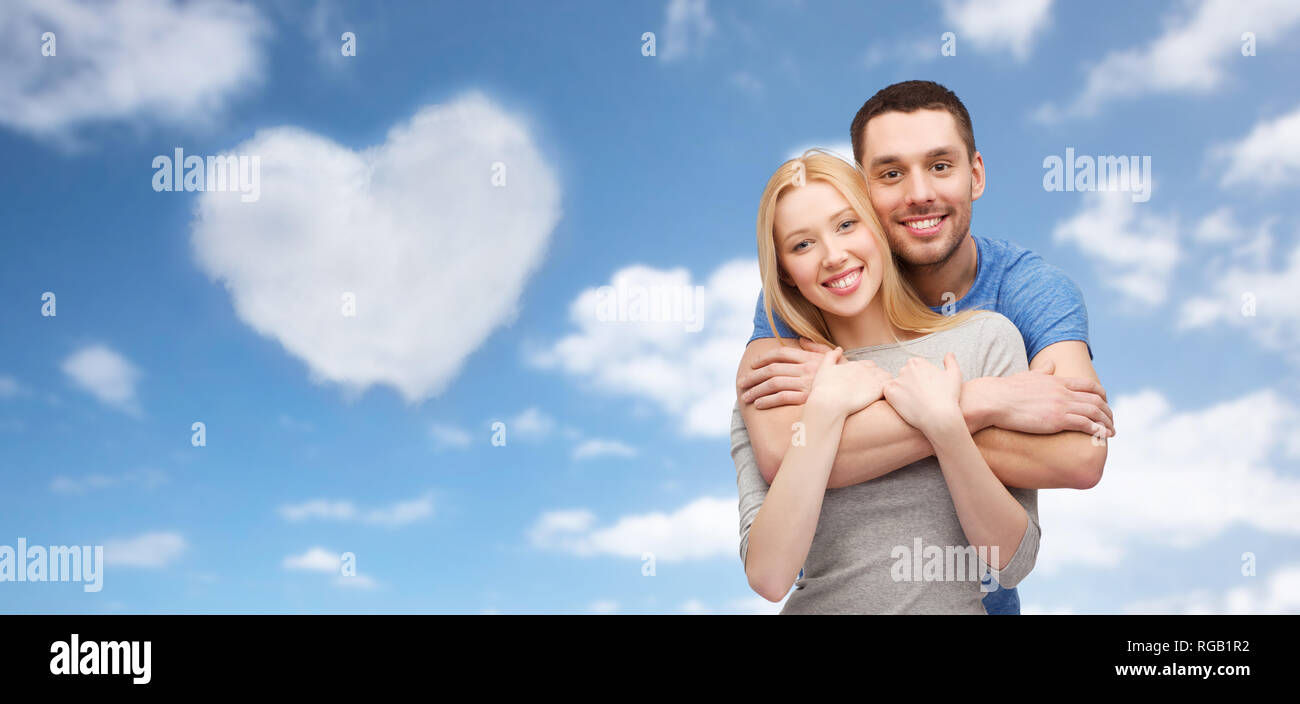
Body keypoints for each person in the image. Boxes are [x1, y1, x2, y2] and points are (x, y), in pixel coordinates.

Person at [733, 81, 1114, 613]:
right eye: (891, 173)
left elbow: (1078, 454)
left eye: (940, 166)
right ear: (866, 190)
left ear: (975, 174)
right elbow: (778, 455)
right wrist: (980, 402)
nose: (918, 194)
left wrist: (929, 412)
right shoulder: (794, 321)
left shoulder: (1010, 310)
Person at [738, 150, 1039, 613]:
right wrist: (824, 408)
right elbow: (769, 575)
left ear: (877, 227)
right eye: (803, 245)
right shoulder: (780, 381)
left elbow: (1012, 563)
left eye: (846, 225)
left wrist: (946, 424)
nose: (833, 256)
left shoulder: (985, 340)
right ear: (785, 275)